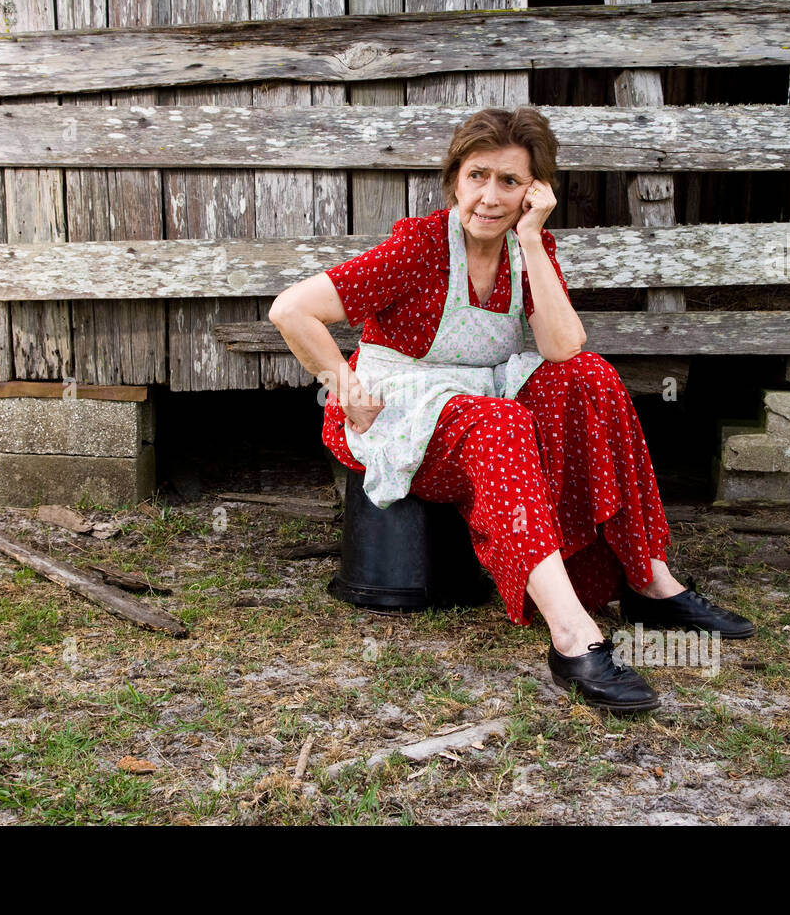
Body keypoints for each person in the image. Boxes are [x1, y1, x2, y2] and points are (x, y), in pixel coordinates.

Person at [268, 106, 753, 713]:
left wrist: (529, 239)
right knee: (500, 420)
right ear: (455, 181)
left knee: (589, 376)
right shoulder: (417, 249)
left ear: (534, 192)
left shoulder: (530, 248)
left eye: (509, 181)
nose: (490, 197)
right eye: (477, 176)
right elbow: (290, 309)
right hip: (399, 415)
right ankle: (573, 636)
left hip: (482, 401)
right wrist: (340, 379)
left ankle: (649, 580)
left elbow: (561, 346)